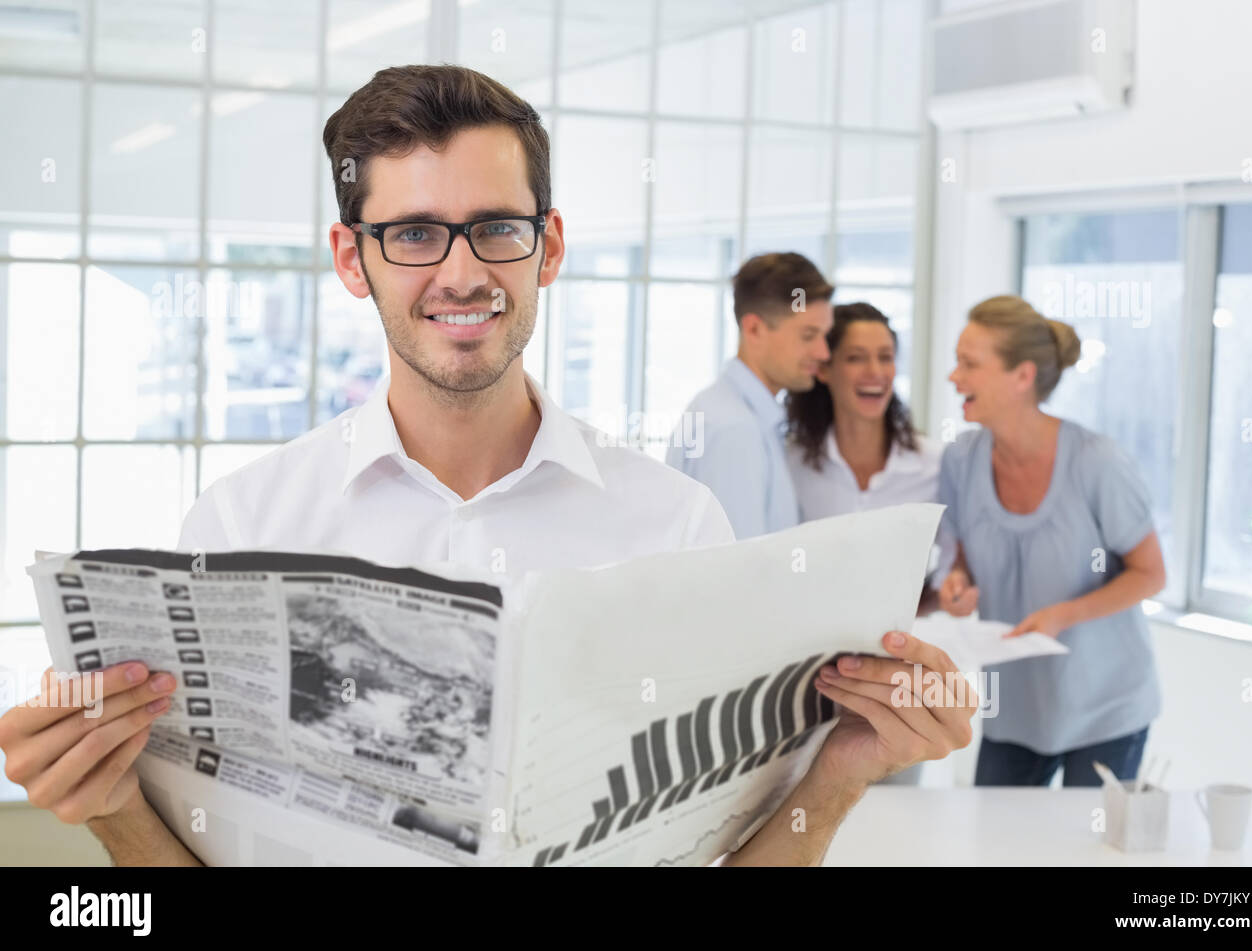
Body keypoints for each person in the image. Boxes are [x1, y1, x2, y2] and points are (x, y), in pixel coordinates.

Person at [0, 65, 976, 866]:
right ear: (353, 259)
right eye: (414, 234)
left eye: (495, 228)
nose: (461, 273)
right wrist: (111, 803)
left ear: (545, 245)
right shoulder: (238, 522)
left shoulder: (674, 523)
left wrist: (842, 771)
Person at [937, 295, 1165, 787]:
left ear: (1022, 376)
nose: (954, 377)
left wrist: (1065, 614)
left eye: (969, 364)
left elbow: (1151, 573)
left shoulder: (1096, 462)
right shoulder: (960, 460)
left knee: (1088, 853)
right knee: (998, 849)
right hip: (1016, 709)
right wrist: (957, 583)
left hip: (1106, 704)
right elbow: (959, 557)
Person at [785, 301, 948, 785]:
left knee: (895, 826)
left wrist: (949, 590)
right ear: (826, 368)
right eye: (857, 357)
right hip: (804, 681)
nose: (875, 371)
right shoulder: (791, 463)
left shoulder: (933, 465)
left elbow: (952, 571)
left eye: (886, 356)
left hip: (893, 685)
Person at [665, 253, 832, 539]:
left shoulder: (726, 411)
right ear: (754, 329)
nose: (823, 353)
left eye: (824, 336)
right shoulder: (734, 430)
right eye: (808, 335)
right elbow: (740, 573)